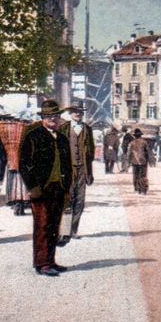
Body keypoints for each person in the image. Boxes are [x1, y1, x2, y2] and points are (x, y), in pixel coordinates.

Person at [18, 100, 72, 277]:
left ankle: (51, 260)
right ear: (43, 118)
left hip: (59, 188)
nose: (53, 120)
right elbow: (24, 163)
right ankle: (41, 263)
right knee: (42, 225)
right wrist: (32, 186)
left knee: (54, 225)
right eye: (50, 116)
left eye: (56, 116)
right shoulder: (34, 135)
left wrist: (67, 187)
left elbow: (67, 165)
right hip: (41, 188)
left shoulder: (62, 138)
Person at [58, 102, 96, 244]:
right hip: (68, 169)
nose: (77, 114)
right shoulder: (63, 128)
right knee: (68, 199)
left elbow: (90, 153)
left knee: (80, 201)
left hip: (82, 169)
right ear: (70, 113)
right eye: (75, 111)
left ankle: (73, 230)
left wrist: (90, 173)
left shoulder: (87, 129)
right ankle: (65, 231)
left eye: (80, 111)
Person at [128, 129, 153, 194]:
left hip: (134, 161)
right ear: (140, 135)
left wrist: (128, 162)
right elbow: (148, 152)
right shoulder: (144, 142)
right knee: (143, 175)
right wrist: (150, 161)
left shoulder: (131, 143)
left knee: (135, 175)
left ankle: (137, 188)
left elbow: (129, 153)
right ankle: (143, 189)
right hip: (143, 161)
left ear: (135, 136)